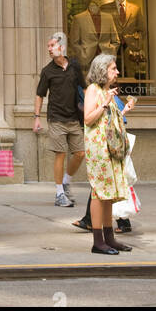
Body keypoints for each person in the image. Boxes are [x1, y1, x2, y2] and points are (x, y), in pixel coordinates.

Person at [83, 54, 135, 256]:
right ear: (102, 70)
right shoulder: (93, 91)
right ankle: (98, 241)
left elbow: (108, 121)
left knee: (108, 195)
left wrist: (124, 112)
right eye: (113, 68)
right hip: (98, 149)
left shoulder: (107, 92)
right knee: (99, 193)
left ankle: (109, 237)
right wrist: (104, 103)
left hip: (109, 148)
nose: (117, 72)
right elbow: (88, 119)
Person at [33, 32, 85, 208]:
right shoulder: (47, 71)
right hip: (56, 118)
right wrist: (37, 118)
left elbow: (84, 89)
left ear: (61, 47)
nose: (49, 49)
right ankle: (59, 193)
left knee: (80, 154)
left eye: (52, 45)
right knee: (60, 154)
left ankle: (66, 181)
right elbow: (40, 95)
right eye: (48, 46)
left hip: (74, 118)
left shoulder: (74, 67)